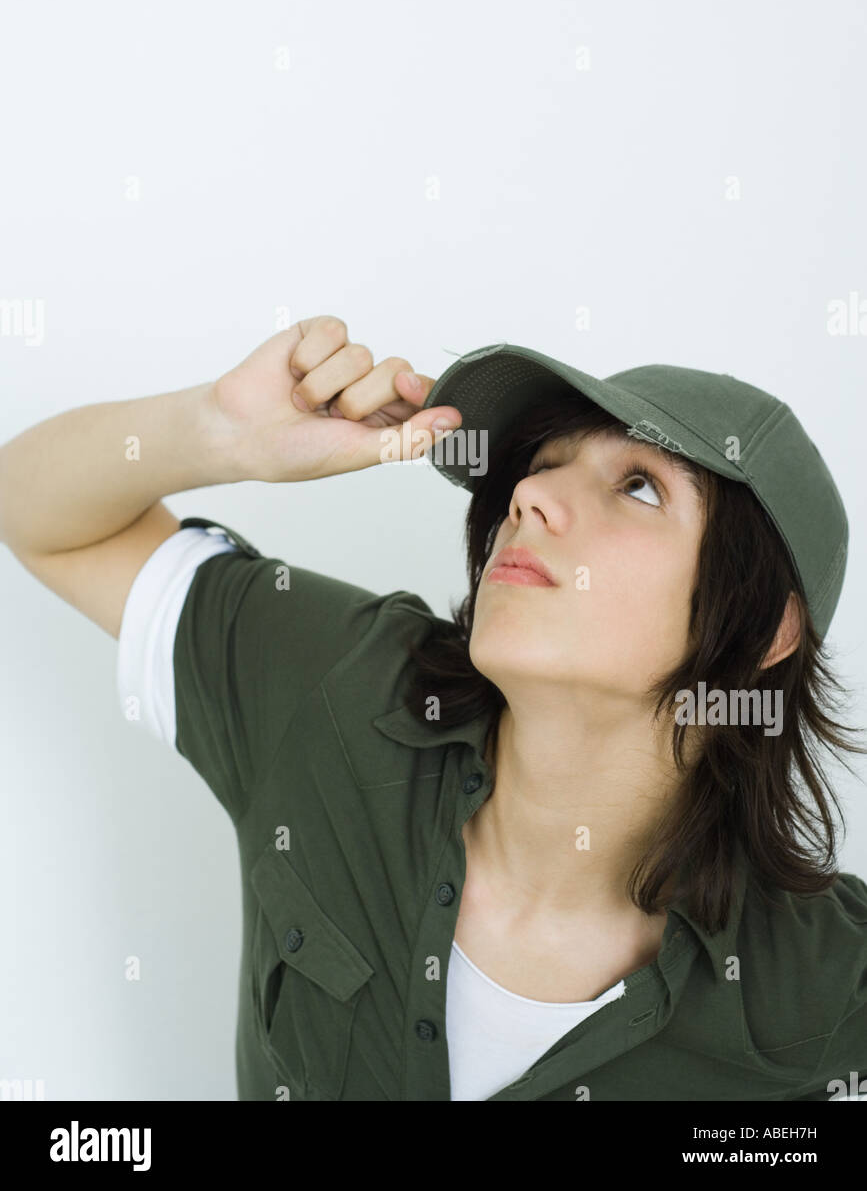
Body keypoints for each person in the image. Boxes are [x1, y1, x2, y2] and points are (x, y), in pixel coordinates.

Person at [2, 315, 865, 1102]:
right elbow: (36, 511)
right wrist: (216, 432)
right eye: (542, 464)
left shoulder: (833, 992)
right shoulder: (340, 681)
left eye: (637, 487)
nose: (530, 498)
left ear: (765, 630)